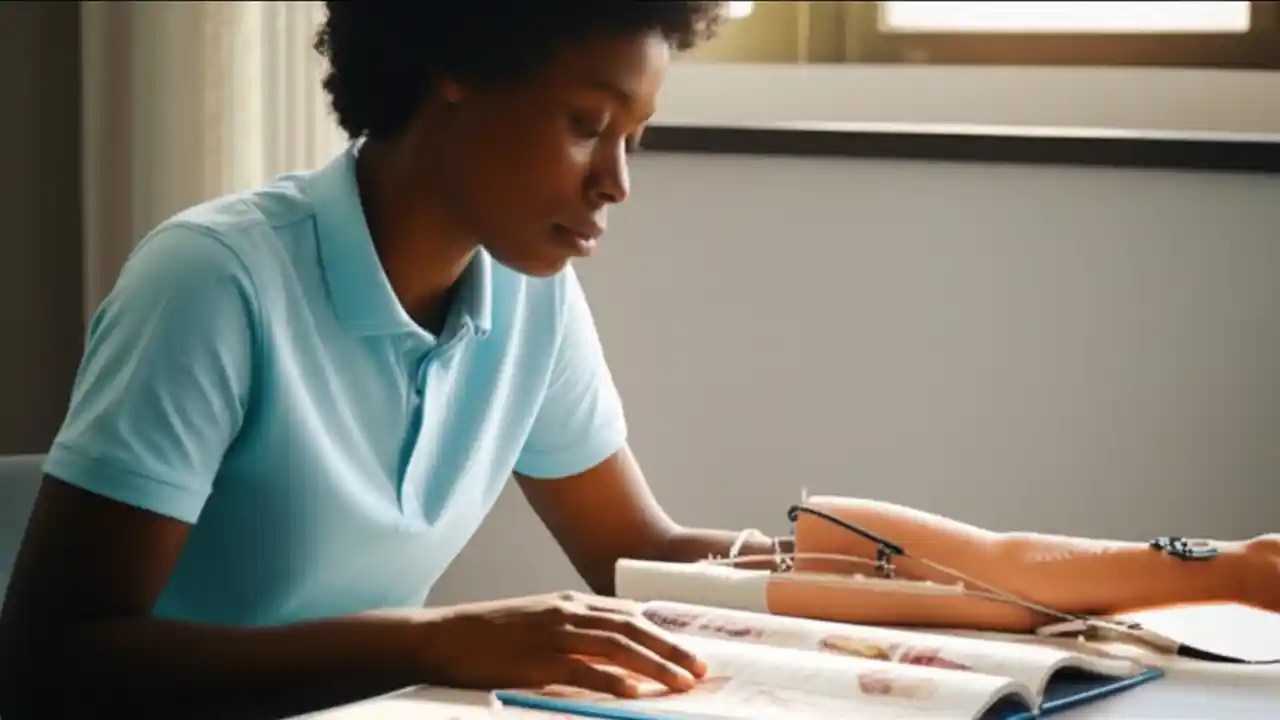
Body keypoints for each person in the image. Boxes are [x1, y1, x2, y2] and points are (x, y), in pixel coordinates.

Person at [1, 2, 1275, 718]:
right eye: (583, 126)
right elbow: (55, 662)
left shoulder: (526, 290)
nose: (614, 182)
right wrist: (436, 642)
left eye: (637, 136)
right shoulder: (213, 283)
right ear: (451, 65)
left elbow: (652, 556)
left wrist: (1123, 581)